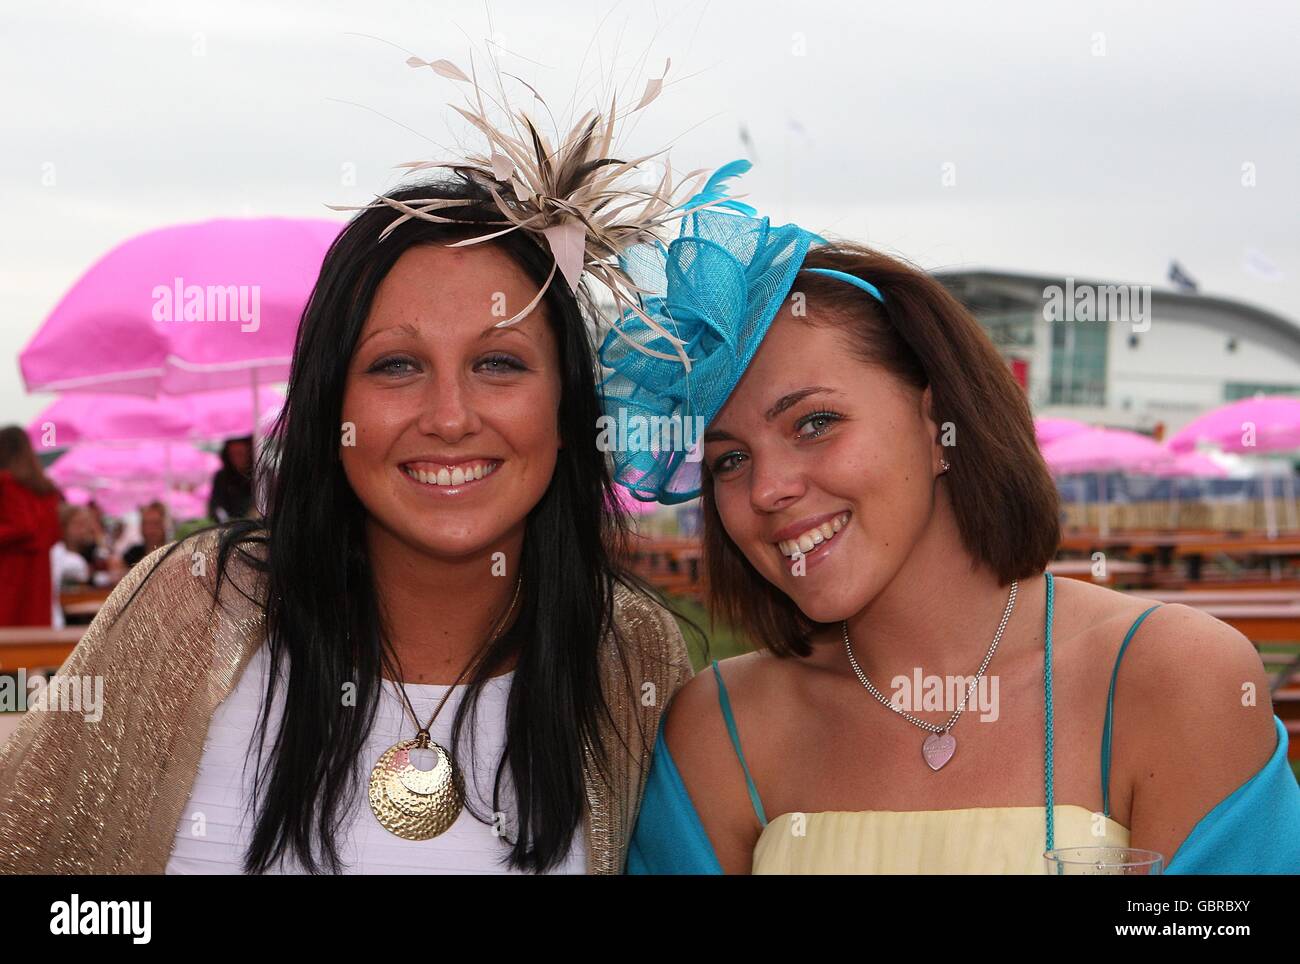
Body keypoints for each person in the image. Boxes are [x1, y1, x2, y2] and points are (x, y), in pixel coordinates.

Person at [0, 57, 718, 874]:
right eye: (396, 366)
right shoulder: (190, 611)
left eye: (500, 364)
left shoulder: (631, 657)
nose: (449, 417)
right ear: (330, 405)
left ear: (565, 413)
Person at [602, 169, 1300, 874]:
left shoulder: (1172, 679)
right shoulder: (718, 729)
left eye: (815, 422)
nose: (769, 489)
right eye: (728, 461)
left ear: (938, 422)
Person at [0, 426, 62, 626]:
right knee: (34, 644)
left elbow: (22, 526)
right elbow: (53, 535)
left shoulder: (7, 483)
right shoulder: (46, 490)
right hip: (39, 576)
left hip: (9, 575)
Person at [207, 436, 254, 522]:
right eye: (233, 455)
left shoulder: (261, 475)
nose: (237, 459)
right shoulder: (222, 477)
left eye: (240, 454)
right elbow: (216, 505)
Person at [122, 501, 169, 567]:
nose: (151, 529)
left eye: (155, 523)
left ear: (164, 525)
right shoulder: (132, 554)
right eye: (147, 524)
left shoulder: (173, 552)